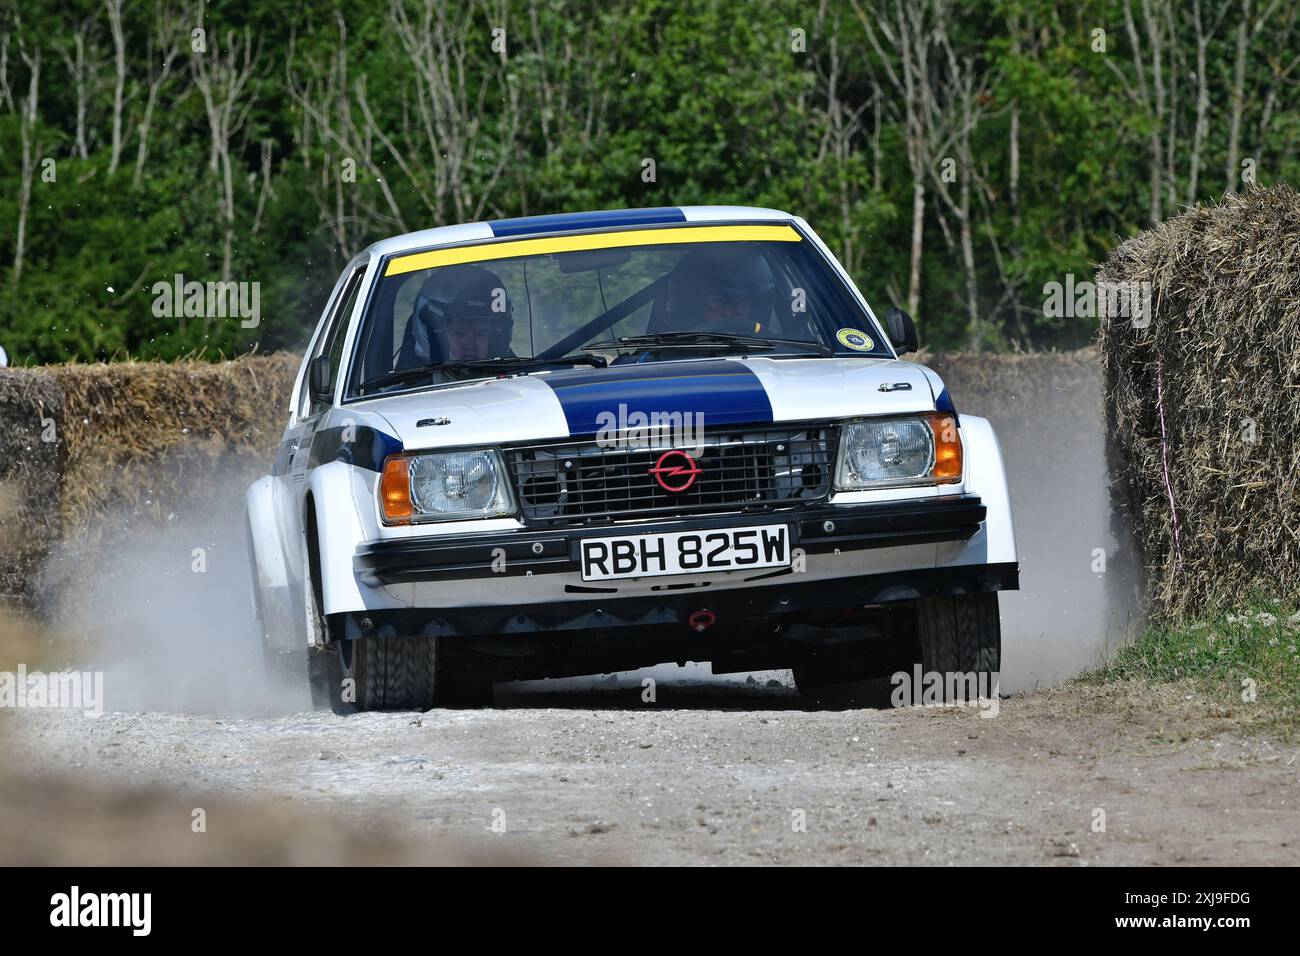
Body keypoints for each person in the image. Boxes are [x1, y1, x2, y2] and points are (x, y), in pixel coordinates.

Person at [397, 264, 513, 368]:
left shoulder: (523, 385)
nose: (470, 344)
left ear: (499, 334)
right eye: (459, 333)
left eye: (481, 334)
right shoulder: (402, 391)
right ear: (429, 332)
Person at [665, 246, 776, 336]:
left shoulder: (782, 351)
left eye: (740, 302)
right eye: (717, 301)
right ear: (695, 304)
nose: (728, 312)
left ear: (753, 308)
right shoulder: (661, 357)